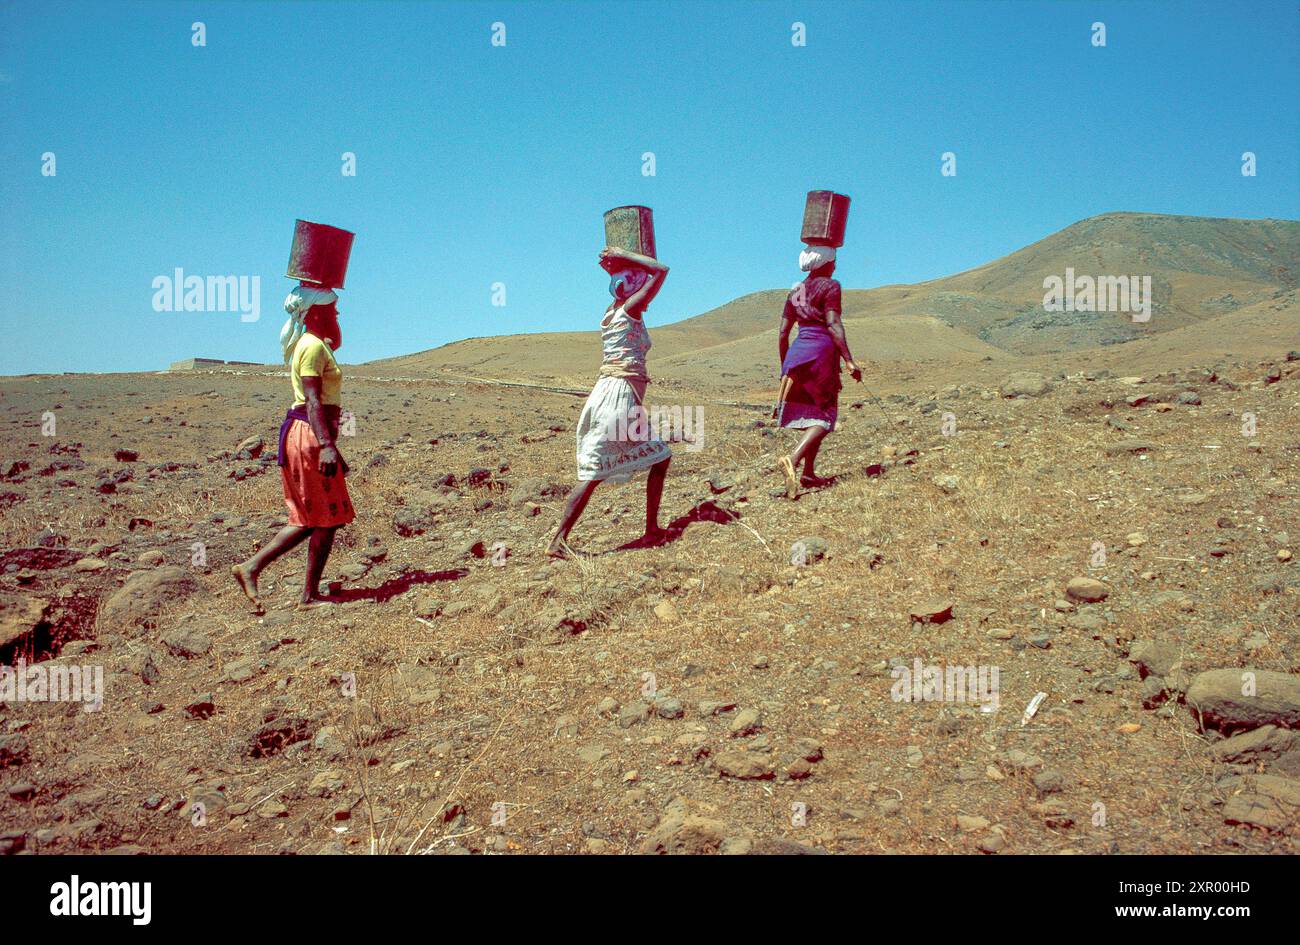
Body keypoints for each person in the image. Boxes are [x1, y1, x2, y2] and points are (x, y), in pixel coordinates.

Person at [232, 284, 354, 609]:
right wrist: (327, 446)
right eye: (332, 309)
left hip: (310, 435)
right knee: (321, 518)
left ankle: (253, 568)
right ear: (315, 312)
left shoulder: (315, 343)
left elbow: (337, 339)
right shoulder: (312, 347)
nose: (338, 313)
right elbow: (313, 400)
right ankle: (306, 595)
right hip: (310, 435)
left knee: (318, 517)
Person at [547, 246, 673, 558]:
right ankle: (557, 541)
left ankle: (651, 529)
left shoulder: (613, 310)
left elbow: (627, 283)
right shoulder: (629, 309)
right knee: (593, 473)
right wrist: (627, 257)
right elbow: (662, 270)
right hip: (618, 398)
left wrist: (616, 267)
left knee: (658, 458)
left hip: (613, 393)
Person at [774, 244, 863, 498]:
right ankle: (793, 459)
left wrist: (785, 365)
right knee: (823, 417)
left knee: (811, 415)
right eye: (833, 262)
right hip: (821, 356)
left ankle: (808, 473)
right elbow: (833, 324)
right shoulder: (831, 286)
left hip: (797, 355)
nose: (835, 266)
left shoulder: (796, 289)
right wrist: (849, 360)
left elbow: (782, 332)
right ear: (825, 263)